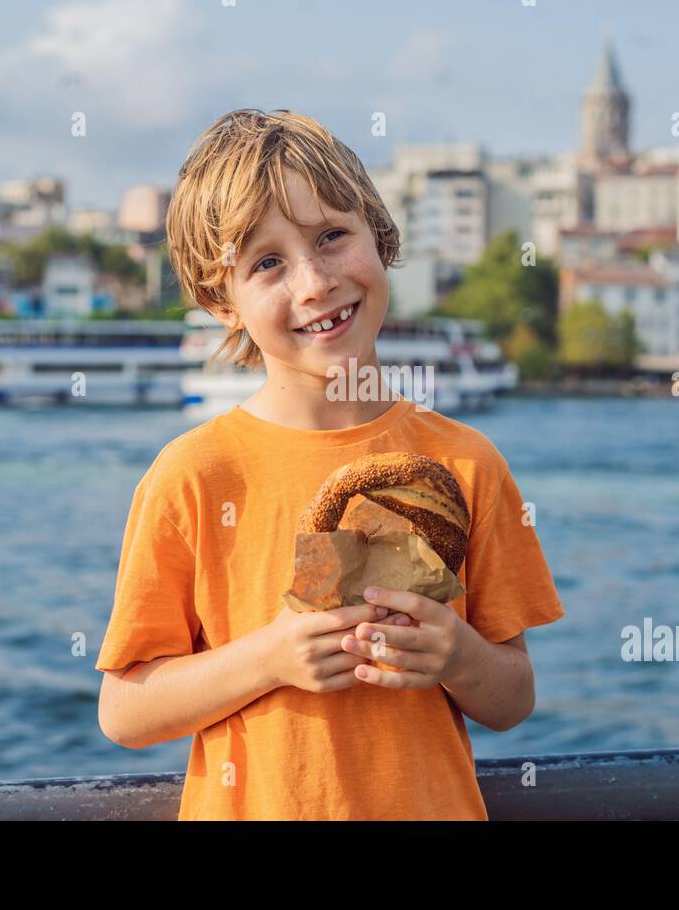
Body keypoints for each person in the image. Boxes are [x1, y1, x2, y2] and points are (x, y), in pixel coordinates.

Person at [95, 108, 564, 820]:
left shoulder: (465, 463)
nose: (313, 283)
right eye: (267, 264)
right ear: (222, 301)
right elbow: (125, 710)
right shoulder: (194, 475)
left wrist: (458, 657)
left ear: (380, 235)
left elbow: (513, 696)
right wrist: (271, 658)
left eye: (332, 237)